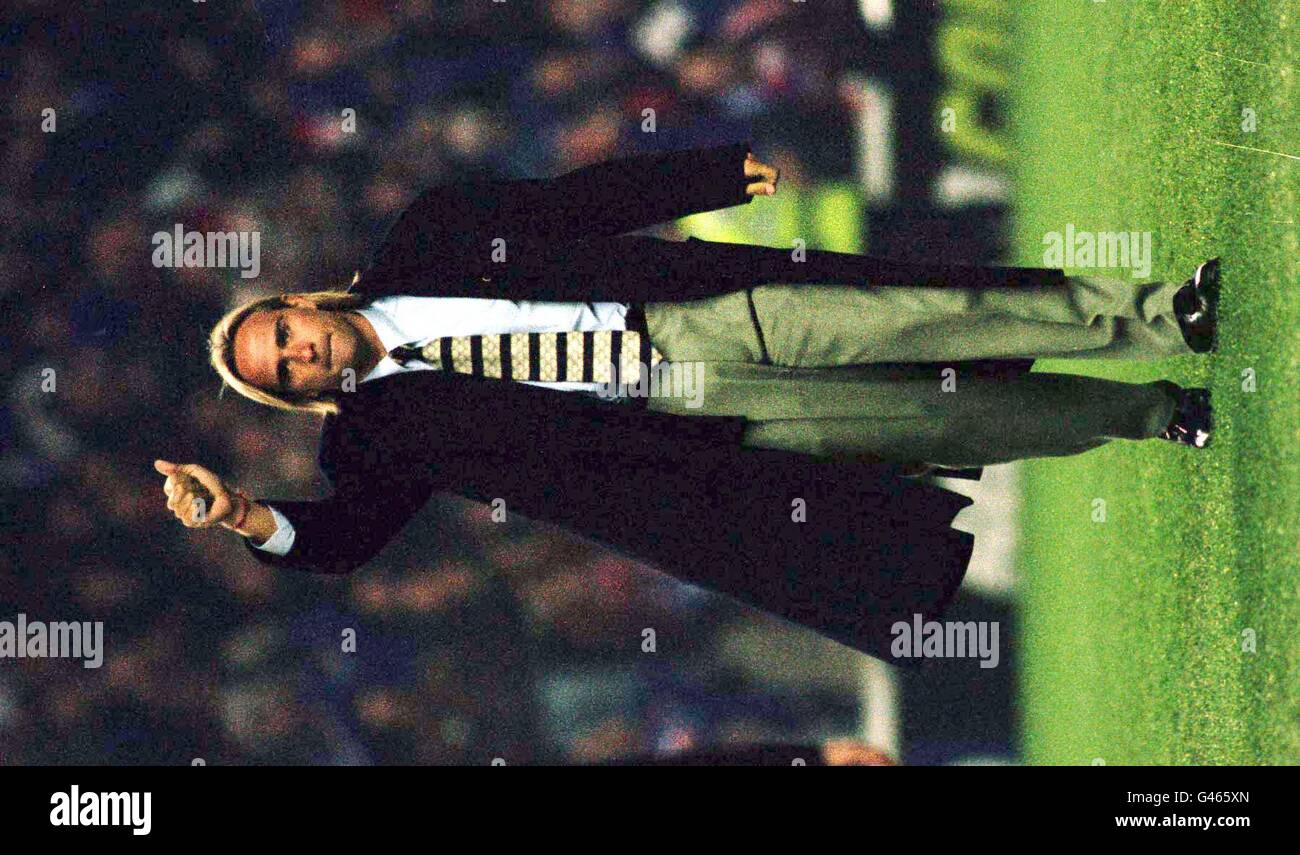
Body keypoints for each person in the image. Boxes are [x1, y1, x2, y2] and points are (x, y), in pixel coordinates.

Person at [156, 142, 1220, 663]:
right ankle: (1150, 412)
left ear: (301, 300)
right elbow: (341, 541)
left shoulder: (428, 233)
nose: (299, 353)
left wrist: (703, 174)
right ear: (299, 394)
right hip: (702, 431)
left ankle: (1163, 313)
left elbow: (572, 203)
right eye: (284, 371)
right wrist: (245, 517)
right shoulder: (377, 443)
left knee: (931, 318)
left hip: (700, 315)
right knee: (947, 420)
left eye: (284, 332)